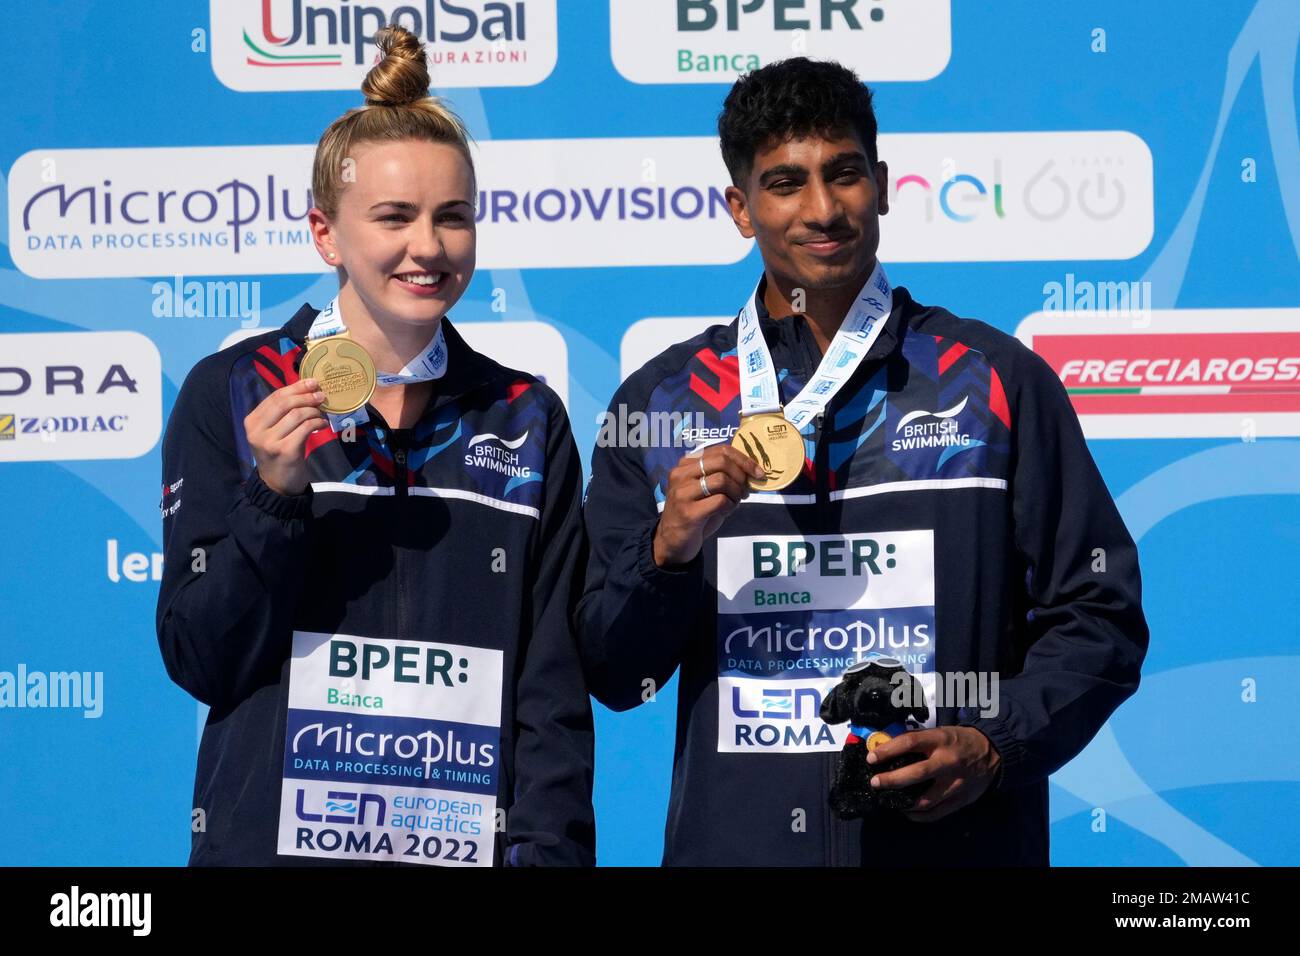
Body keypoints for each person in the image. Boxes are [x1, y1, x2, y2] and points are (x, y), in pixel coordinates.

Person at [576, 57, 1149, 866]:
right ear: (740, 208)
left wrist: (994, 744)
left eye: (843, 173)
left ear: (880, 183)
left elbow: (1099, 617)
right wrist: (666, 554)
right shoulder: (665, 405)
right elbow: (611, 668)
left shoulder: (996, 383)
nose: (823, 209)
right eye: (784, 183)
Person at [156, 25, 595, 867]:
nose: (427, 248)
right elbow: (199, 657)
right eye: (393, 217)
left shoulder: (524, 417)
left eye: (452, 218)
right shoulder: (232, 393)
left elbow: (551, 692)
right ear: (326, 233)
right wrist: (272, 500)